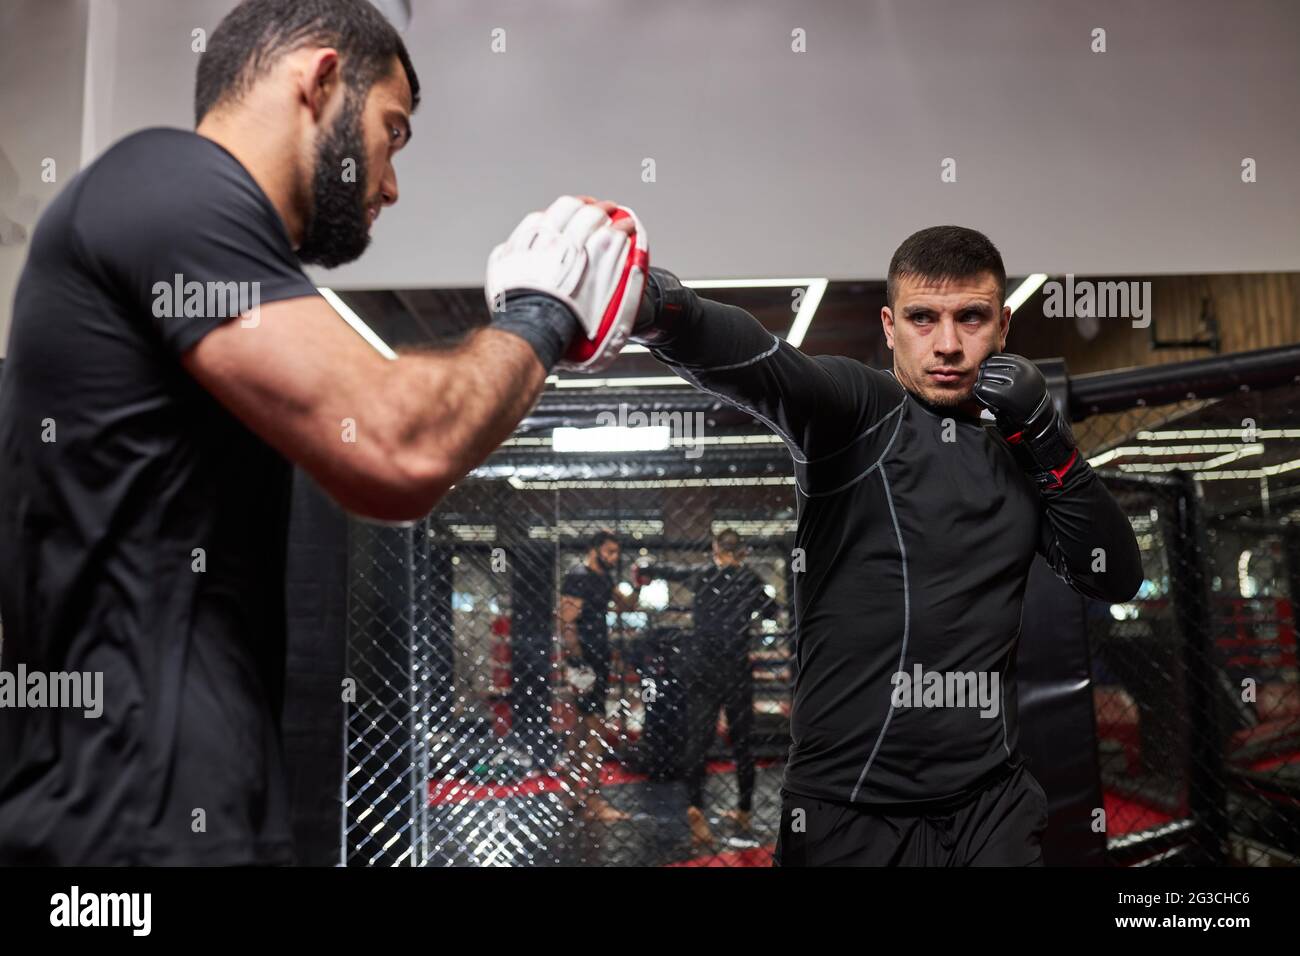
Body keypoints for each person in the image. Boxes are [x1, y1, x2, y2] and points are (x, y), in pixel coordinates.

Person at [0, 0, 643, 864]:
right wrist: (540, 317)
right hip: (128, 827)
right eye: (394, 131)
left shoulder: (193, 241)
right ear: (321, 79)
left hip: (163, 808)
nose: (390, 183)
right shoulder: (164, 181)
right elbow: (399, 447)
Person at [629, 226, 1144, 865]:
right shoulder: (860, 410)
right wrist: (654, 305)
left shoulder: (1020, 458)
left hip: (992, 808)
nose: (949, 344)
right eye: (922, 319)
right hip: (851, 812)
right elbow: (769, 366)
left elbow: (1116, 577)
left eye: (972, 318)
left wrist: (1050, 441)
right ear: (888, 324)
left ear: (1004, 326)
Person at [641, 529, 777, 847]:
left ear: (716, 548)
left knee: (698, 741)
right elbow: (772, 611)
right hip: (736, 668)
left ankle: (696, 809)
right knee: (743, 743)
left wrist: (647, 565)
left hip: (703, 668)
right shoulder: (749, 580)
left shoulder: (702, 575)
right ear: (740, 550)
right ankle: (744, 811)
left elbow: (670, 570)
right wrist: (749, 605)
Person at [557, 530, 642, 823]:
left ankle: (571, 794)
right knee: (593, 726)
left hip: (599, 656)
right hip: (584, 659)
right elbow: (566, 621)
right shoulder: (578, 575)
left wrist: (639, 585)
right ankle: (591, 797)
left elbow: (626, 605)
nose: (613, 558)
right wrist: (577, 662)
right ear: (594, 549)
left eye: (616, 552)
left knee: (581, 726)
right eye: (609, 552)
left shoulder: (604, 578)